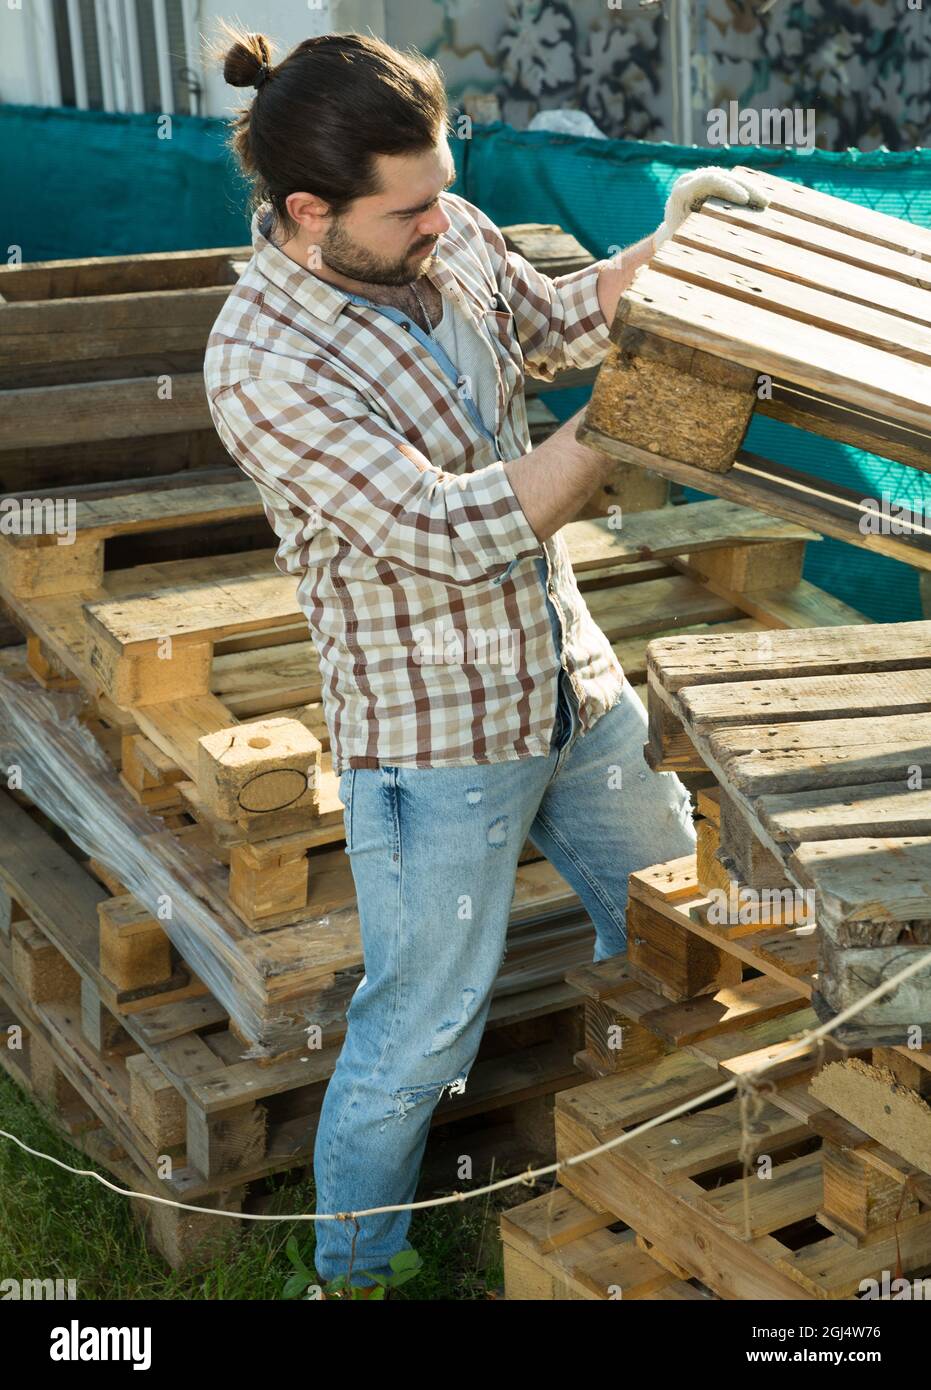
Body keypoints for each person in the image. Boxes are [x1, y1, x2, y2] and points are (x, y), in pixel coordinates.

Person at [203, 27, 767, 1293]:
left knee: (692, 922)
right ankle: (353, 1273)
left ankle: (716, 1172)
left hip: (568, 679)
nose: (441, 218)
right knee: (422, 1026)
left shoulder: (437, 227)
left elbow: (553, 318)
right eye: (409, 208)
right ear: (308, 212)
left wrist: (669, 266)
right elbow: (449, 530)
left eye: (442, 183)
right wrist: (635, 410)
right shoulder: (260, 361)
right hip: (437, 736)